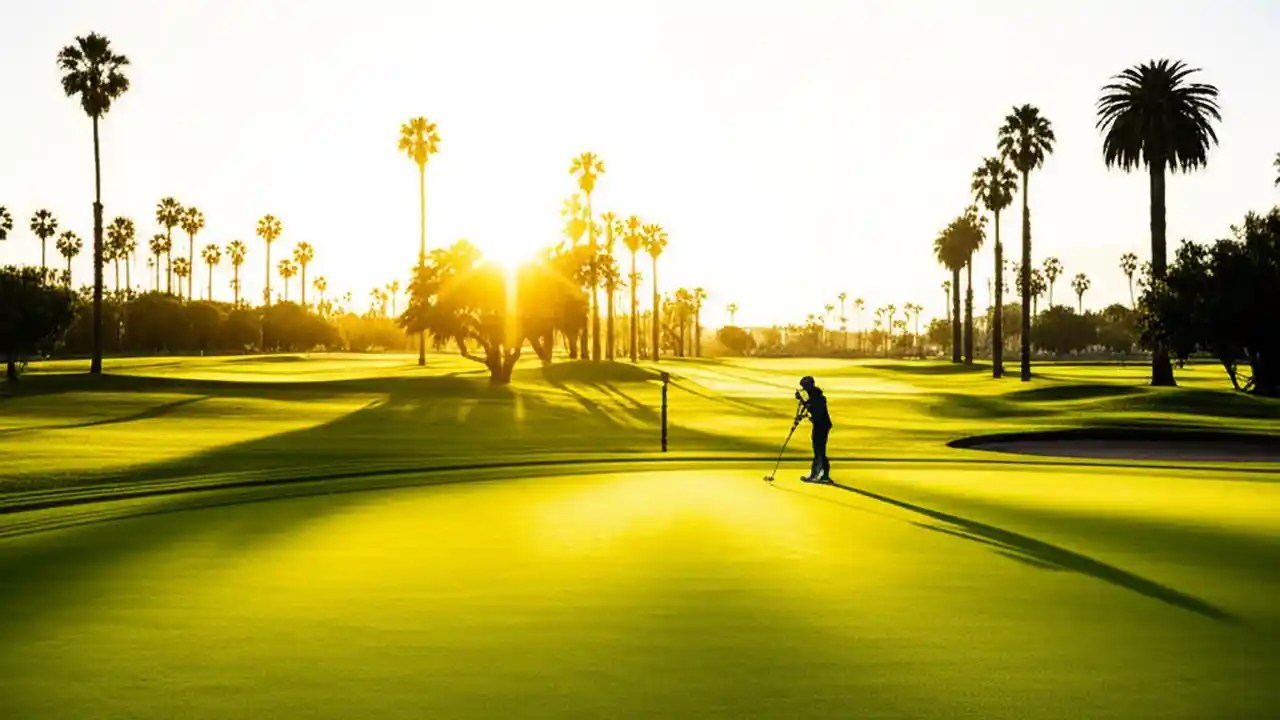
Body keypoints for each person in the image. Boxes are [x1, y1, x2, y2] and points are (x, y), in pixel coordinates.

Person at [795, 375, 832, 482]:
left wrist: (805, 404)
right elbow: (809, 408)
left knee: (819, 450)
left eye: (804, 387)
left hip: (822, 426)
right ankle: (823, 474)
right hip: (820, 425)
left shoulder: (817, 398)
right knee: (819, 450)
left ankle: (817, 474)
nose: (803, 389)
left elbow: (815, 412)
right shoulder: (814, 395)